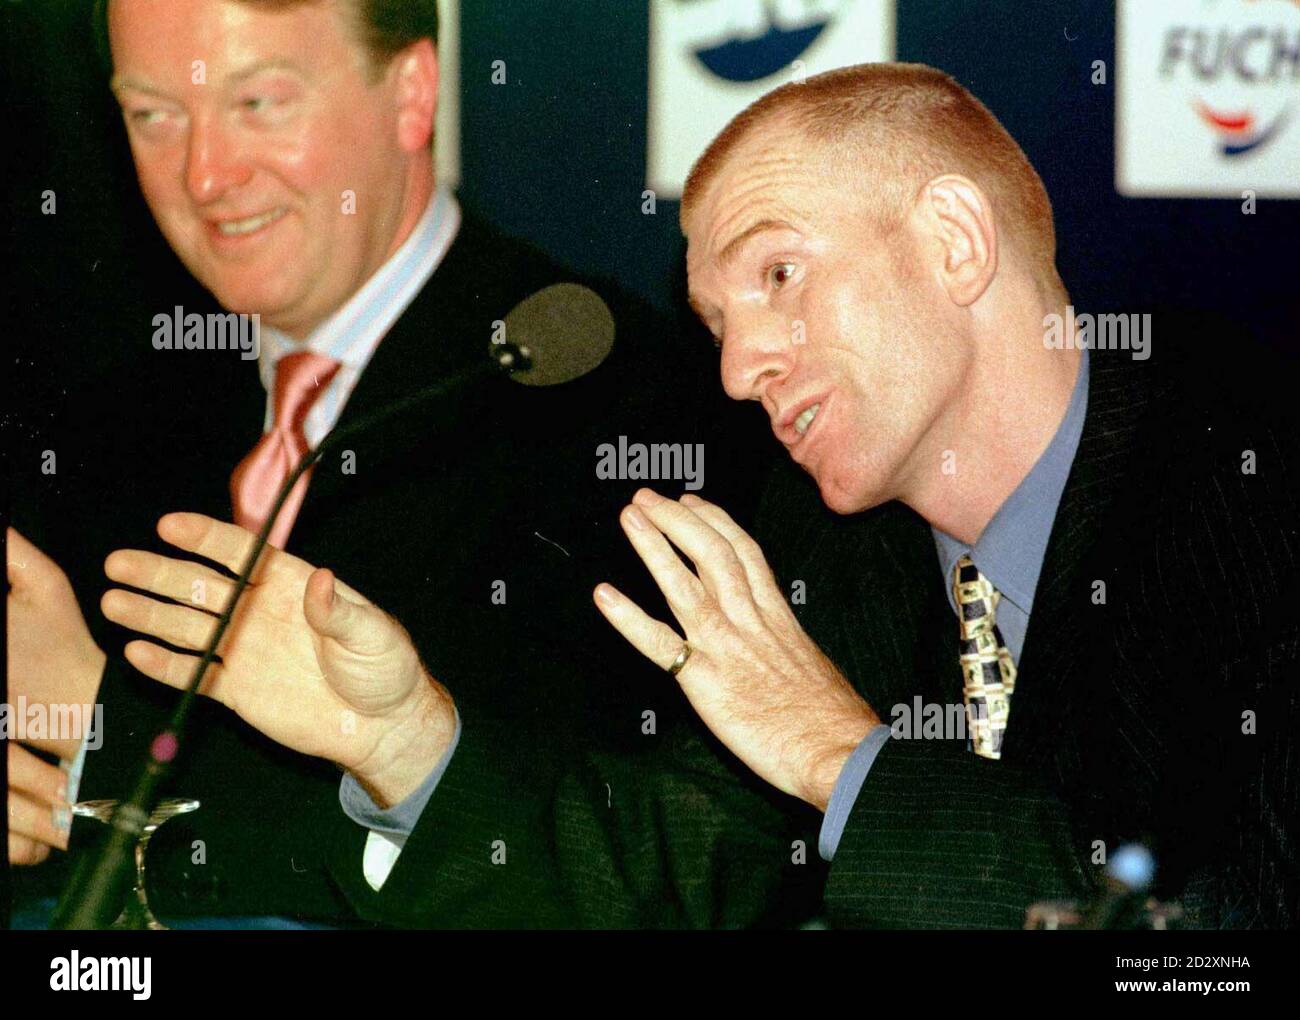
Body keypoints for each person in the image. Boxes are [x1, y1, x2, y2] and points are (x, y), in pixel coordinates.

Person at [7, 0, 765, 925]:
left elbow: (573, 860)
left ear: (412, 95)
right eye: (154, 115)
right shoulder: (95, 413)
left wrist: (99, 743)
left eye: (261, 103)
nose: (205, 174)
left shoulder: (619, 404)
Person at [586, 62, 1300, 927]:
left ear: (955, 242)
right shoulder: (819, 548)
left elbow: (1222, 935)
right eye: (717, 327)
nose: (738, 372)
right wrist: (415, 755)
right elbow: (660, 872)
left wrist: (848, 762)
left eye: (777, 275)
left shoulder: (1259, 497)